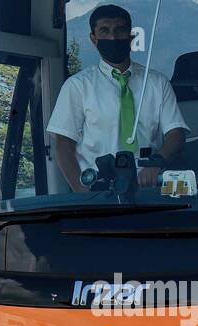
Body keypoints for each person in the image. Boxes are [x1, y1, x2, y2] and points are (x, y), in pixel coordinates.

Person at [47, 4, 187, 192]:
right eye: (104, 31)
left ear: (131, 36)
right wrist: (82, 194)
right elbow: (63, 145)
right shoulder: (77, 86)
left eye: (120, 30)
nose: (112, 37)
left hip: (150, 191)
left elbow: (176, 133)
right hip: (98, 193)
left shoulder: (157, 82)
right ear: (93, 38)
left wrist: (156, 163)